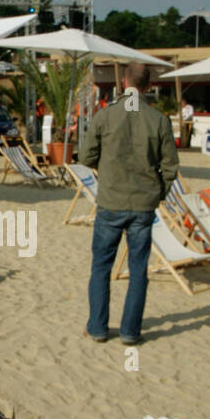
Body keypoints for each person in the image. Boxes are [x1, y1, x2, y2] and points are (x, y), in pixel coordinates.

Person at [79, 61, 179, 346]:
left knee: (101, 266)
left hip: (111, 200)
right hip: (143, 204)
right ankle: (129, 331)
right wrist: (158, 193)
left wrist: (108, 167)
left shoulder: (105, 116)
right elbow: (170, 167)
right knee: (138, 270)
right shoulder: (159, 120)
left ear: (124, 83)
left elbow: (86, 157)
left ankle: (98, 327)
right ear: (148, 87)